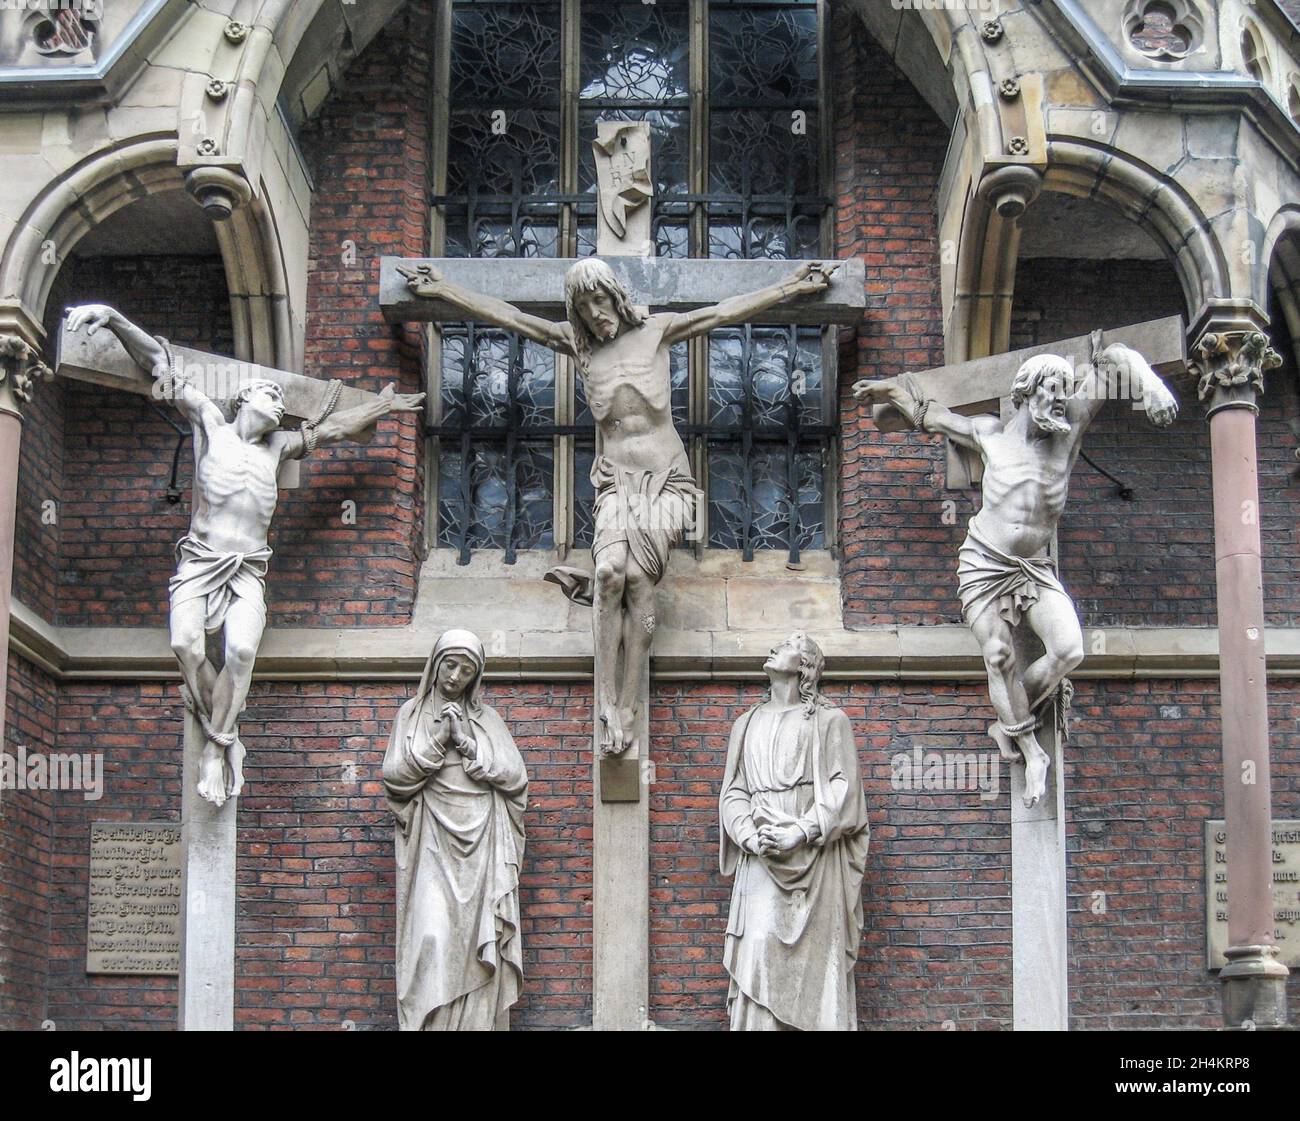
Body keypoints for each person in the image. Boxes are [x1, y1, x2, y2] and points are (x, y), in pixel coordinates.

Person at [399, 257, 838, 758]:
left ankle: (629, 703)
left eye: (600, 300)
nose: (595, 313)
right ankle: (607, 700)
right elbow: (514, 319)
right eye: (583, 306)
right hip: (615, 485)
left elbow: (726, 312)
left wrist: (791, 286)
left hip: (669, 481)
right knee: (608, 572)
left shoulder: (658, 332)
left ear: (616, 295)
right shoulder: (579, 347)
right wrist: (444, 291)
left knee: (636, 580)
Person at [64, 304, 425, 805]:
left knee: (241, 653)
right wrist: (115, 318)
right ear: (243, 399)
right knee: (187, 646)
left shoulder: (277, 448)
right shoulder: (210, 424)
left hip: (248, 569)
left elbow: (337, 430)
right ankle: (222, 723)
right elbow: (160, 365)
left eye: (281, 398)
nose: (278, 403)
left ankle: (217, 745)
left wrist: (381, 407)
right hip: (201, 561)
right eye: (269, 394)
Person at [853, 338, 1178, 807]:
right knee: (998, 656)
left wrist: (1150, 383)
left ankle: (1011, 716)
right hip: (984, 561)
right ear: (1025, 392)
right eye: (1052, 387)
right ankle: (1030, 748)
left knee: (1068, 650)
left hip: (1034, 568)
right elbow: (931, 414)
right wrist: (888, 389)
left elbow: (1111, 360)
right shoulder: (989, 434)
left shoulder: (1069, 432)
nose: (1062, 397)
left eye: (1066, 387)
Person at [719, 631, 871, 1031]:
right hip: (761, 852)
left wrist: (801, 831)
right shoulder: (745, 724)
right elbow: (734, 791)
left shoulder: (830, 721)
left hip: (814, 857)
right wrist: (748, 835)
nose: (773, 647)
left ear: (805, 666)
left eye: (786, 645)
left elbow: (846, 791)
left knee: (819, 960)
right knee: (757, 950)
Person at [382, 628, 528, 1031]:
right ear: (435, 664)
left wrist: (464, 742)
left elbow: (515, 777)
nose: (455, 676)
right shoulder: (411, 715)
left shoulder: (487, 720)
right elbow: (394, 777)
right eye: (450, 665)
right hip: (432, 839)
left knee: (479, 944)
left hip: (481, 843)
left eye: (466, 670)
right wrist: (436, 742)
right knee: (431, 937)